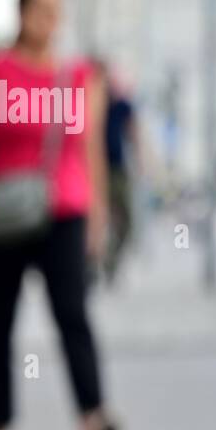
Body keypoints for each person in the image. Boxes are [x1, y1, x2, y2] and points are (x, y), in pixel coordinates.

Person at [0, 0, 118, 430]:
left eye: (57, 11)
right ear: (21, 14)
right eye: (41, 9)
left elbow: (92, 151)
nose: (50, 19)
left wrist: (99, 213)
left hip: (65, 208)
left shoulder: (80, 76)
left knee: (72, 312)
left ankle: (93, 417)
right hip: (3, 210)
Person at [97, 60, 138, 285]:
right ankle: (93, 267)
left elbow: (134, 132)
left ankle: (109, 263)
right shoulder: (93, 104)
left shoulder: (122, 106)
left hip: (117, 170)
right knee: (96, 222)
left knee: (126, 223)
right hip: (94, 172)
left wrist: (142, 163)